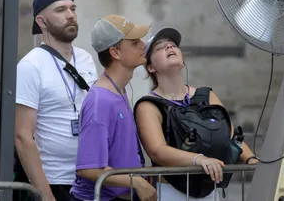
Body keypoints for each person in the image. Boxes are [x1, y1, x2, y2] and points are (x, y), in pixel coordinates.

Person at [134, 27, 259, 200]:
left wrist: (251, 160)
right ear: (150, 67)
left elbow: (231, 138)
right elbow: (157, 151)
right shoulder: (149, 104)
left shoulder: (207, 95)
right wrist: (198, 159)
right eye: (160, 48)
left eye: (172, 45)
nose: (169, 48)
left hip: (209, 188)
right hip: (171, 192)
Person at [14, 0, 98, 201]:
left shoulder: (86, 58)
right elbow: (23, 136)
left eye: (73, 8)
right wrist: (45, 196)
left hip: (92, 177)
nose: (70, 15)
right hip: (55, 182)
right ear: (41, 21)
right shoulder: (30, 65)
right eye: (61, 10)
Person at [70, 15, 157, 201]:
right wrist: (137, 182)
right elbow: (89, 167)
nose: (143, 45)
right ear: (115, 53)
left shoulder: (117, 91)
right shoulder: (100, 101)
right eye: (134, 42)